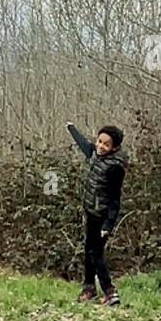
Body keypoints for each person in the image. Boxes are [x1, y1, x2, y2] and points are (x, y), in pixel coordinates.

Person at [66, 122, 128, 307]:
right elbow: (84, 145)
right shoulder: (95, 154)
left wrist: (108, 225)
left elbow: (115, 199)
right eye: (100, 141)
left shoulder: (115, 167)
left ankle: (110, 291)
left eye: (106, 144)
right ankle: (89, 288)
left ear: (114, 147)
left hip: (102, 216)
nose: (101, 146)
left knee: (96, 253)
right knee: (89, 250)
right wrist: (72, 128)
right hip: (91, 212)